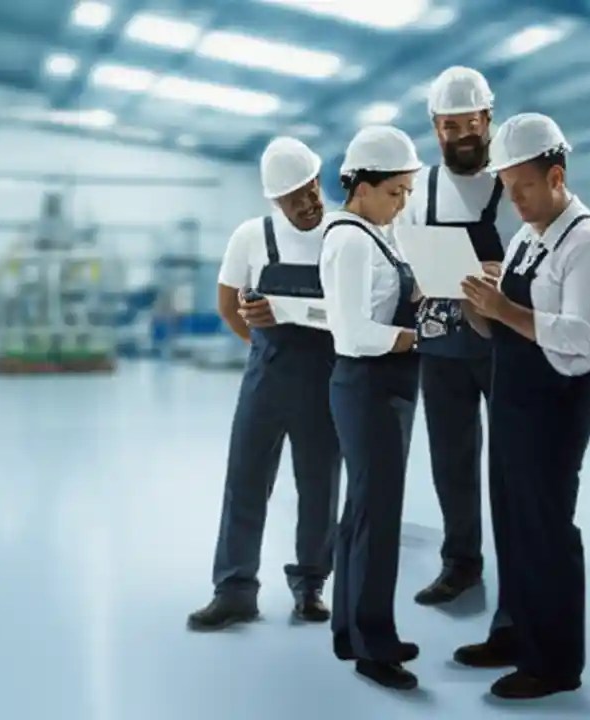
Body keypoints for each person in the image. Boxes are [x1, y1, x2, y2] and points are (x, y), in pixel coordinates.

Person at [460, 113, 590, 699]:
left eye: (524, 185)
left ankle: (554, 663)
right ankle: (514, 632)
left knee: (547, 529)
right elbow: (502, 325)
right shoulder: (530, 237)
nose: (515, 199)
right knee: (511, 521)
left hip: (556, 402)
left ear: (556, 176)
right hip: (514, 398)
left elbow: (581, 336)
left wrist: (502, 310)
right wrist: (476, 297)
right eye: (506, 188)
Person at [188, 136, 342, 631]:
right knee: (246, 481)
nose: (307, 201)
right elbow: (228, 306)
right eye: (293, 195)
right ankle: (234, 590)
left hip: (327, 377)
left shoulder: (345, 232)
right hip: (268, 376)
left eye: (311, 187)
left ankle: (311, 586)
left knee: (319, 485)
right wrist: (259, 338)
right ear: (274, 200)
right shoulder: (251, 237)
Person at [397, 66, 517, 608]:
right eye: (448, 127)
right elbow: (400, 249)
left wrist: (500, 274)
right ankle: (461, 563)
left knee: (514, 462)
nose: (460, 137)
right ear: (434, 127)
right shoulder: (419, 186)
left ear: (487, 119)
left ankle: (520, 565)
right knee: (451, 458)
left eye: (469, 125)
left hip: (506, 339)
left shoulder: (515, 181)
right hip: (441, 344)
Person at [319, 125, 423, 690]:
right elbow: (353, 332)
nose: (401, 203)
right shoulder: (352, 239)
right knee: (377, 517)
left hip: (384, 385)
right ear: (361, 186)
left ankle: (350, 630)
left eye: (407, 193)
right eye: (395, 193)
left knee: (362, 510)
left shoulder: (377, 232)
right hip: (368, 382)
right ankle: (374, 646)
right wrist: (417, 339)